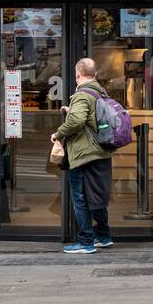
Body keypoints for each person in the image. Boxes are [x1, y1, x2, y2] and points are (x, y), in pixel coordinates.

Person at [51, 57, 114, 255]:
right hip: (101, 151)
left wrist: (58, 133)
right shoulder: (100, 92)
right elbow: (89, 117)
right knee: (97, 196)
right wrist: (71, 111)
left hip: (84, 154)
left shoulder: (81, 95)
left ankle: (86, 241)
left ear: (78, 74)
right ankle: (103, 236)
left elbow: (77, 121)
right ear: (95, 74)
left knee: (80, 197)